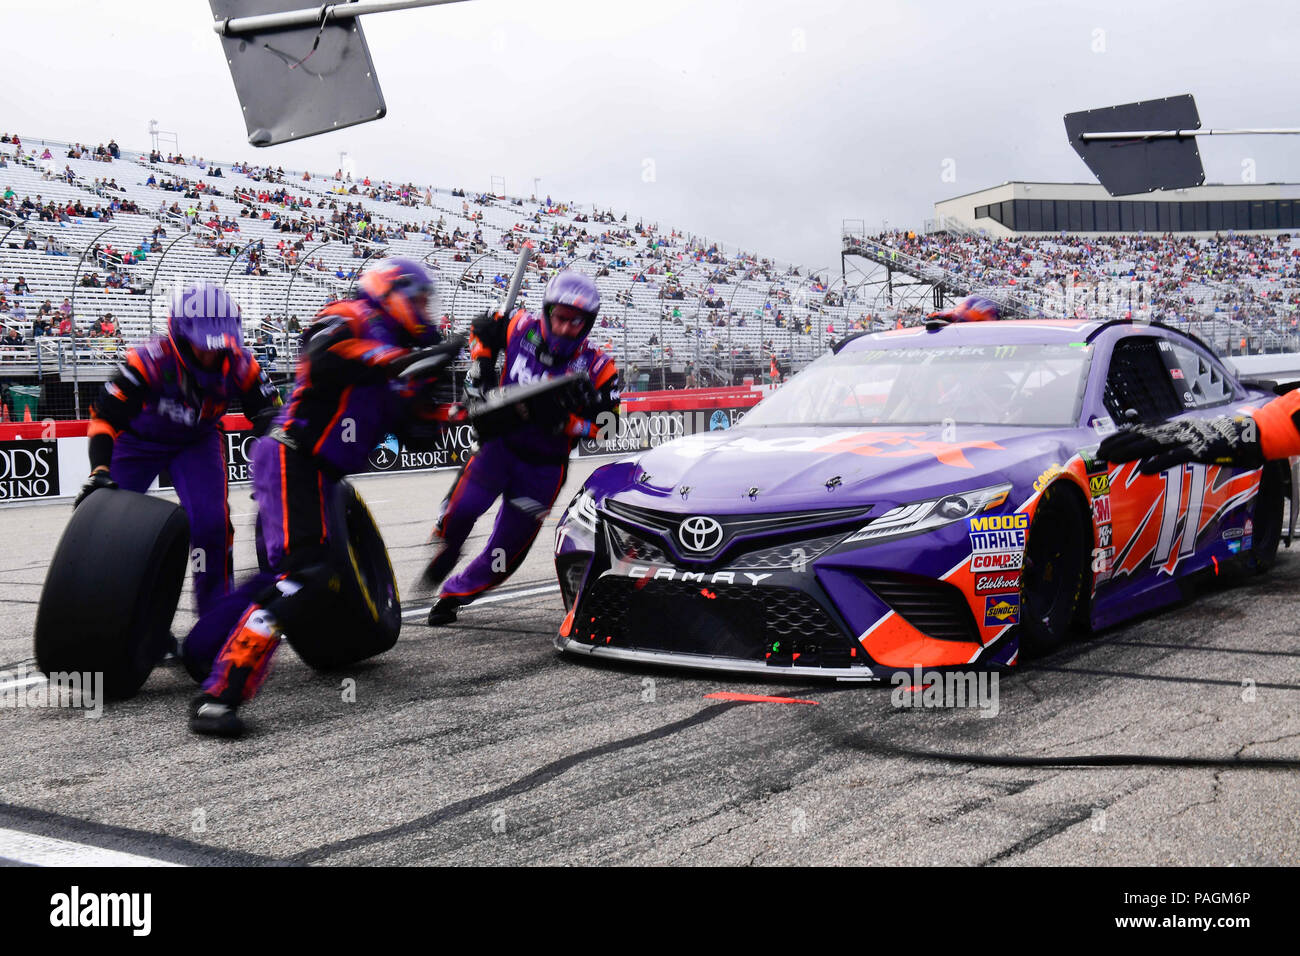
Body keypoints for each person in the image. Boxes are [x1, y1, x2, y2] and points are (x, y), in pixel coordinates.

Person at [186, 258, 462, 736]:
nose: (423, 310)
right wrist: (401, 363)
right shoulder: (352, 315)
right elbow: (323, 354)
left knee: (289, 576)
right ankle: (220, 693)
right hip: (294, 456)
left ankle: (202, 647)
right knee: (307, 574)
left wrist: (434, 392)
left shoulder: (405, 354)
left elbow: (418, 436)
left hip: (322, 475)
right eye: (416, 299)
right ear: (391, 292)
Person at [421, 270, 620, 626]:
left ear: (588, 324)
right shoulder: (519, 326)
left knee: (505, 552)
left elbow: (609, 429)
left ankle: (454, 595)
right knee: (460, 512)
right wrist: (481, 365)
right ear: (546, 313)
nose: (564, 329)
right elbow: (482, 327)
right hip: (499, 447)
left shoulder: (599, 368)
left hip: (543, 469)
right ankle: (447, 549)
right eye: (559, 318)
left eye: (576, 323)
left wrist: (568, 422)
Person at [79, 281, 282, 620]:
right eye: (204, 346)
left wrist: (273, 467)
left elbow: (273, 416)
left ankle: (215, 620)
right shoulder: (147, 361)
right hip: (137, 441)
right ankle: (117, 621)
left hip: (197, 441)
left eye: (222, 346)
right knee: (108, 527)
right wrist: (99, 471)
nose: (213, 355)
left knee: (211, 524)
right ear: (181, 335)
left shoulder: (243, 365)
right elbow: (104, 416)